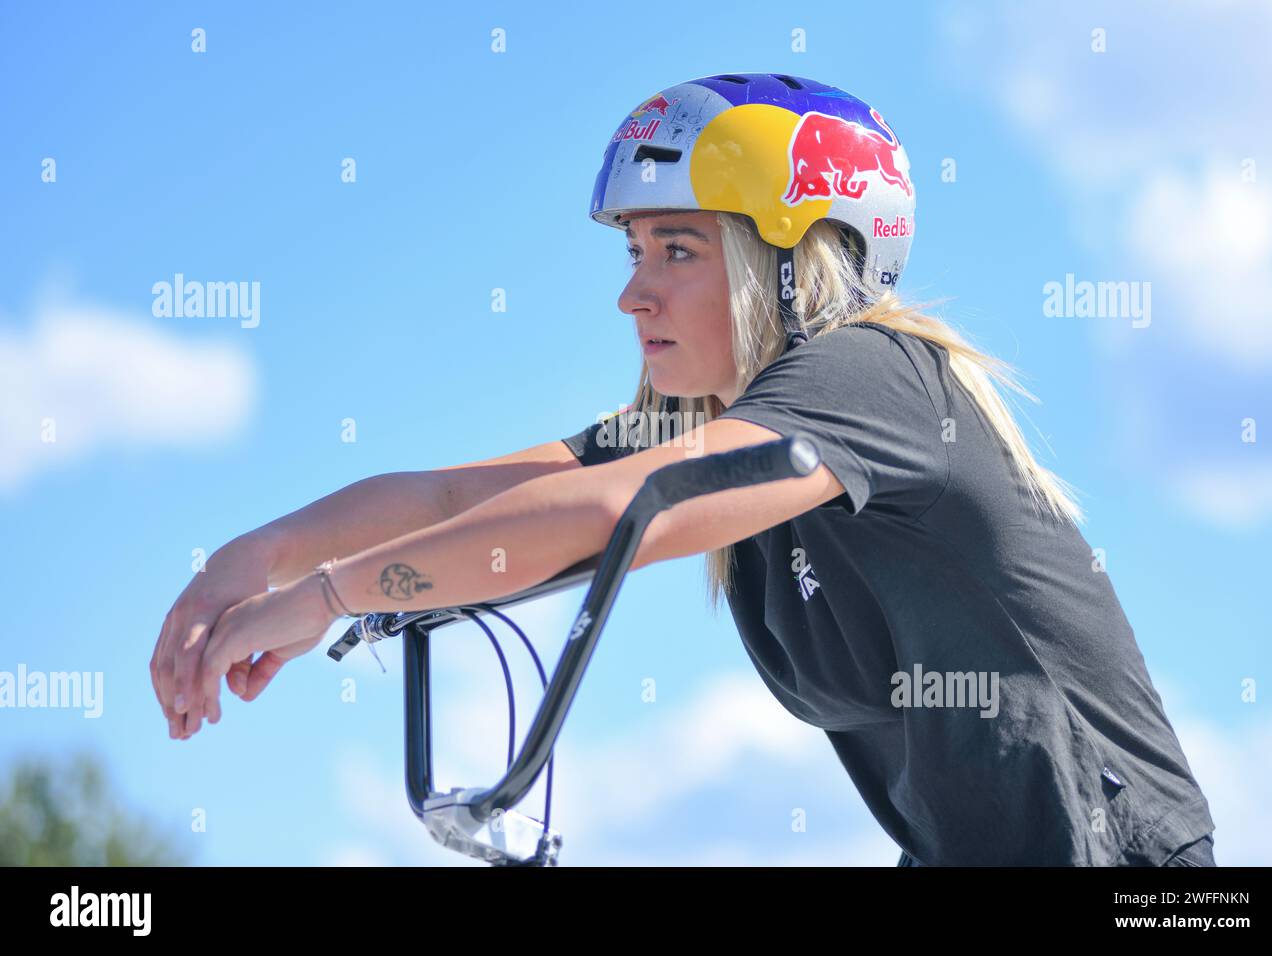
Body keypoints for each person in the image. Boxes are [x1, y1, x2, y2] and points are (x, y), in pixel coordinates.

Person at [150, 72, 1215, 866]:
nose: (633, 295)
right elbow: (465, 497)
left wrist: (329, 596)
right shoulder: (705, 429)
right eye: (631, 253)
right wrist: (258, 557)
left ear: (792, 265)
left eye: (678, 250)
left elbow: (619, 510)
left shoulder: (871, 372)